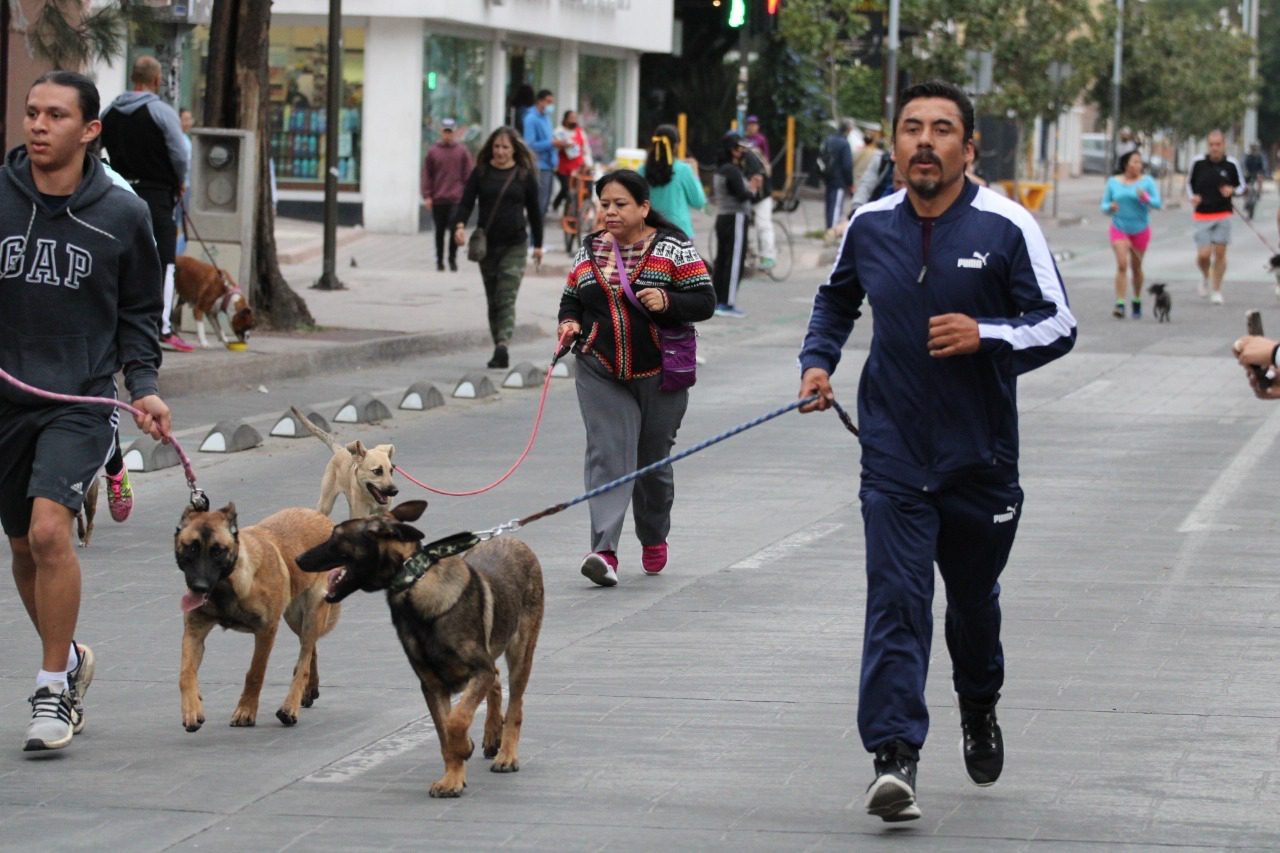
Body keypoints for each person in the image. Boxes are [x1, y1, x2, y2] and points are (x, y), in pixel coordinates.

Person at [796, 80, 1076, 822]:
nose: (925, 141)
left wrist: (987, 334)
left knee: (973, 604)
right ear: (895, 144)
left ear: (968, 148)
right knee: (897, 600)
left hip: (981, 459)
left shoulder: (1007, 225)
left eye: (942, 129)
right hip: (893, 452)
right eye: (912, 127)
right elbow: (837, 298)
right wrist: (818, 361)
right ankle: (894, 757)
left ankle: (978, 703)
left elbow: (1058, 323)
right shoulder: (870, 225)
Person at [2, 71, 171, 752]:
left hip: (80, 399)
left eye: (56, 115)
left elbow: (140, 312)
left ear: (90, 130)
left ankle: (52, 688)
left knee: (50, 533)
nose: (38, 125)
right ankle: (69, 657)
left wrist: (144, 384)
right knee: (22, 545)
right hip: (7, 400)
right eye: (32, 112)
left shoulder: (123, 215)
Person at [556, 170, 715, 587]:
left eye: (620, 204)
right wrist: (570, 323)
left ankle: (653, 532)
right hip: (599, 366)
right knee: (608, 454)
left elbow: (705, 300)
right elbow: (571, 298)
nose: (610, 211)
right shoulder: (589, 249)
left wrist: (667, 300)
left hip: (660, 370)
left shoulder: (673, 247)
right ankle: (603, 551)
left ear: (643, 208)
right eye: (604, 204)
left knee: (652, 463)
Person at [99, 55, 192, 352]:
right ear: (157, 80)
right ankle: (162, 327)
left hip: (119, 192)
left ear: (132, 78)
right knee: (163, 259)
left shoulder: (109, 112)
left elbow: (94, 149)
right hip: (156, 193)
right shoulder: (161, 112)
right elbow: (180, 154)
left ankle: (115, 322)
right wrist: (180, 180)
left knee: (121, 257)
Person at [452, 127, 543, 370]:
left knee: (506, 296)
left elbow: (535, 213)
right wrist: (459, 226)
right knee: (493, 299)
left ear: (514, 150)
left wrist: (538, 246)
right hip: (487, 246)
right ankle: (498, 346)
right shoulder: (481, 172)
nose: (500, 151)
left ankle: (503, 345)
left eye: (505, 147)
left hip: (515, 244)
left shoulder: (523, 175)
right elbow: (466, 202)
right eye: (496, 147)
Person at [1186, 129, 1246, 305]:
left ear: (1224, 145)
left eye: (1218, 144)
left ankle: (1217, 290)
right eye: (1211, 145)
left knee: (1220, 252)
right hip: (1202, 213)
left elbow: (1242, 186)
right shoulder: (1198, 163)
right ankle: (1205, 276)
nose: (1215, 148)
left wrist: (1232, 190)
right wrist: (1193, 197)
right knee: (1203, 255)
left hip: (1223, 212)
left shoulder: (1231, 164)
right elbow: (1189, 183)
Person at [1102, 150, 1162, 319]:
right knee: (1122, 264)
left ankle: (1136, 299)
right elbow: (1104, 205)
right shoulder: (1113, 182)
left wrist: (1145, 197)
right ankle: (1120, 303)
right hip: (1119, 227)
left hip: (1140, 229)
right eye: (1135, 162)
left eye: (1140, 162)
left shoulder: (1147, 182)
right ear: (1126, 164)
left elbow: (1158, 203)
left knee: (1136, 268)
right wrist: (1110, 207)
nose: (1138, 165)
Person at [711, 131, 761, 318]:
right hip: (735, 218)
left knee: (723, 260)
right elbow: (742, 195)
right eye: (740, 148)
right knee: (734, 261)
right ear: (732, 150)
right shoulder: (732, 171)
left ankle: (717, 300)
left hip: (723, 217)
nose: (743, 152)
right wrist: (753, 187)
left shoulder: (722, 169)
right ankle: (728, 303)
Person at [421, 118, 474, 272]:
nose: (448, 135)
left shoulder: (462, 151)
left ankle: (452, 259)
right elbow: (427, 175)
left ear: (455, 132)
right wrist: (427, 195)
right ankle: (439, 261)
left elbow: (468, 175)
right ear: (441, 132)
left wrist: (467, 195)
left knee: (454, 230)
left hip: (456, 198)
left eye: (450, 132)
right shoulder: (433, 151)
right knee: (439, 231)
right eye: (445, 131)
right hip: (438, 198)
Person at [639, 124, 706, 241]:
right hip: (679, 233)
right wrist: (696, 176)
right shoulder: (683, 170)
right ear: (675, 146)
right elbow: (699, 202)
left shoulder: (641, 170)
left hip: (650, 233)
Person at [522, 89, 562, 249]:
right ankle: (533, 242)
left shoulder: (546, 118)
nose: (551, 105)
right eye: (548, 102)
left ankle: (537, 240)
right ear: (540, 101)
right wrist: (551, 144)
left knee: (544, 206)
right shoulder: (531, 119)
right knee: (538, 205)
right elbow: (530, 145)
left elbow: (549, 139)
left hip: (549, 166)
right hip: (539, 167)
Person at [741, 138, 776, 269]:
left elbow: (757, 178)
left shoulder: (750, 157)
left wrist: (749, 192)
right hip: (752, 196)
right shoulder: (743, 156)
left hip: (761, 197)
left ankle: (768, 257)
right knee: (747, 226)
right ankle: (750, 254)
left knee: (763, 225)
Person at [552, 110, 593, 212]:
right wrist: (562, 145)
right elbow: (553, 148)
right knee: (566, 188)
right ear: (565, 119)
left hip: (578, 167)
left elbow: (586, 149)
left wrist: (588, 164)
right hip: (563, 168)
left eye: (575, 118)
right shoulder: (558, 132)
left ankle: (577, 212)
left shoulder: (580, 132)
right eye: (571, 118)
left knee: (581, 189)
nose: (574, 120)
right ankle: (556, 207)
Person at [822, 119, 855, 230]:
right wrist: (850, 182)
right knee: (836, 206)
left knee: (829, 205)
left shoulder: (829, 139)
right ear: (849, 129)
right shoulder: (844, 144)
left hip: (828, 177)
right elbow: (847, 165)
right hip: (839, 180)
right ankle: (832, 231)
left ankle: (828, 228)